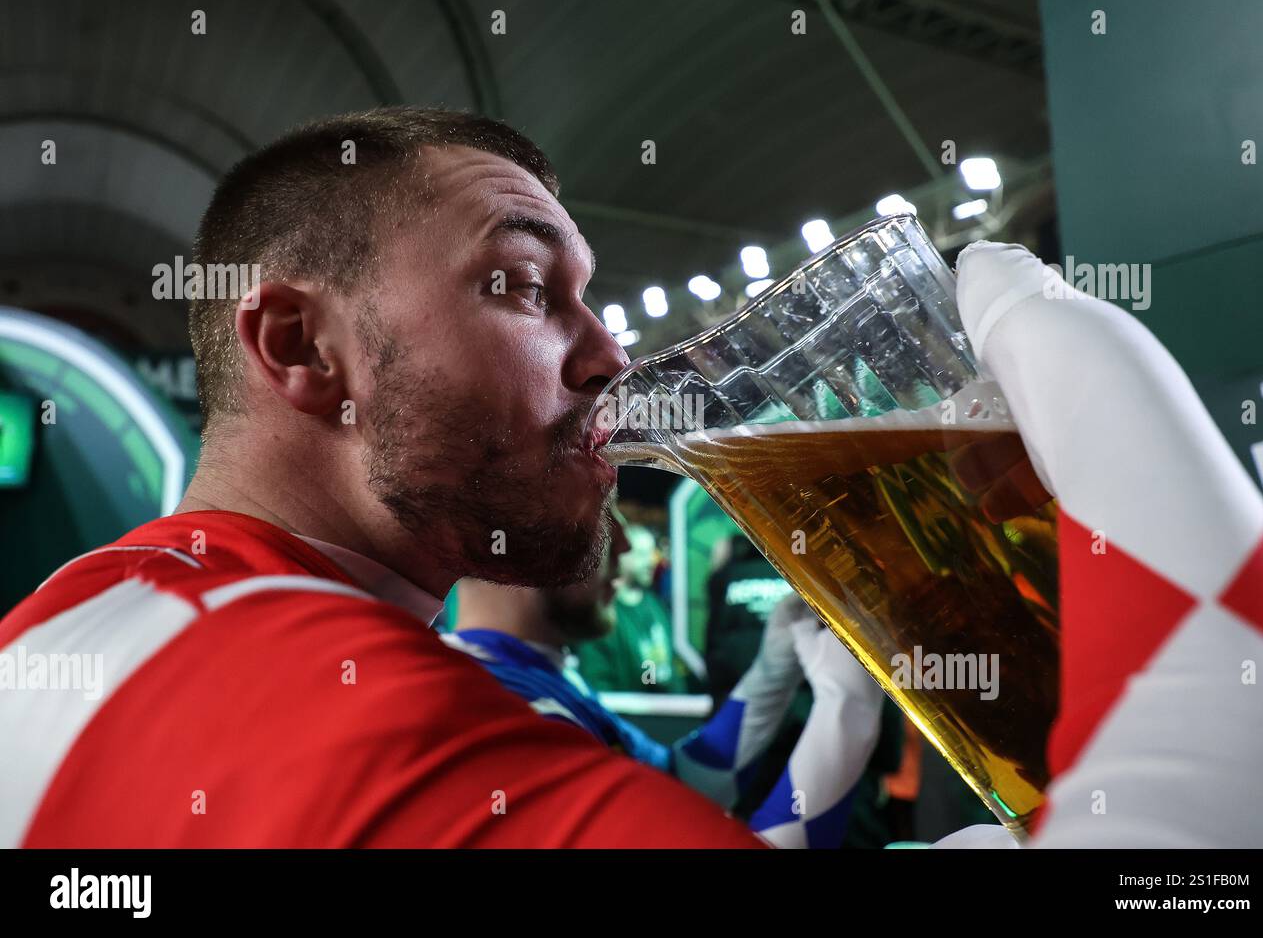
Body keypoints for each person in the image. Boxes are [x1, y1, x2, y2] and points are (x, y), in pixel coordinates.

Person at [0, 107, 772, 847]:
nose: (612, 359)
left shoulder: (88, 610)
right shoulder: (332, 701)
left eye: (586, 296)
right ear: (299, 346)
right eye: (528, 286)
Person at [450, 510, 883, 848]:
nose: (621, 544)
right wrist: (848, 709)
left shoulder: (533, 675)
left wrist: (773, 669)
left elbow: (679, 784)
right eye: (603, 513)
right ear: (520, 532)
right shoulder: (499, 709)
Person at [571, 522, 679, 692]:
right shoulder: (603, 613)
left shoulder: (656, 606)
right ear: (623, 555)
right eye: (642, 554)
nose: (651, 562)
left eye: (652, 553)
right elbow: (598, 681)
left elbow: (670, 669)